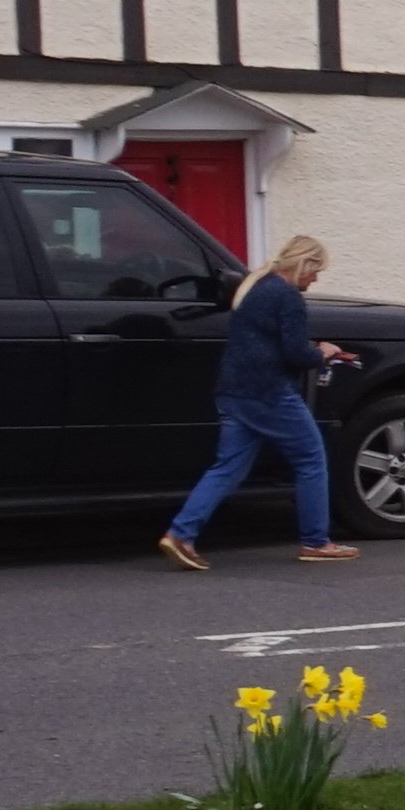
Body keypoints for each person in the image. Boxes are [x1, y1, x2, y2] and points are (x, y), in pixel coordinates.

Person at [158, 233, 359, 569]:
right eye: (316, 270)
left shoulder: (258, 287)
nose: (316, 278)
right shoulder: (288, 296)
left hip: (234, 389)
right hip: (269, 392)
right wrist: (323, 353)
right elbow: (295, 353)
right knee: (311, 459)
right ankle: (316, 541)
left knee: (227, 469)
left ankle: (180, 534)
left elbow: (269, 340)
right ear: (304, 265)